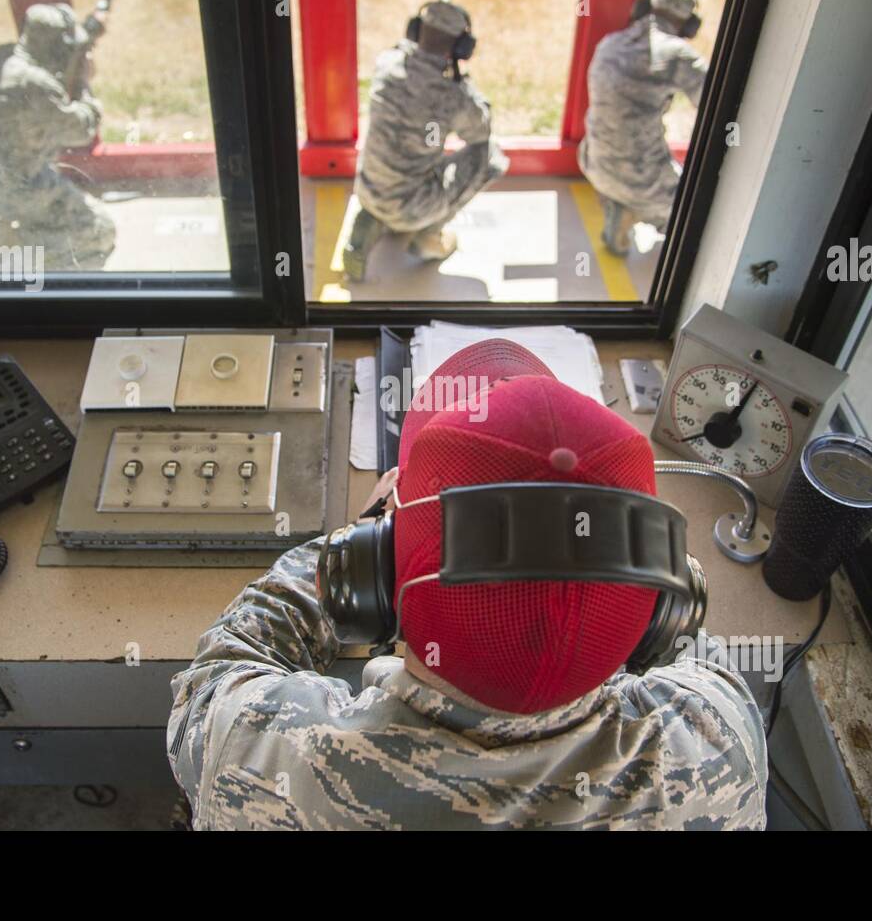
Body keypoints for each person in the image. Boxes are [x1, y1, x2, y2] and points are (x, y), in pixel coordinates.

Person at [168, 339, 767, 829]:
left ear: (374, 576)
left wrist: (364, 533)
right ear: (664, 601)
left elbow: (222, 667)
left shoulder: (256, 755)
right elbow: (684, 635)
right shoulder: (721, 739)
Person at [341, 0, 509, 283]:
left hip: (367, 189)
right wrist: (462, 81)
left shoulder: (386, 64)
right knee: (489, 155)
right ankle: (429, 235)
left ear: (415, 30)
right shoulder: (451, 95)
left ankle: (372, 218)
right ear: (462, 48)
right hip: (412, 208)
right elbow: (480, 132)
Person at [0, 2, 116, 271]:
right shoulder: (35, 84)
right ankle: (10, 250)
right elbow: (81, 130)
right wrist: (84, 83)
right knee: (98, 231)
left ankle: (8, 234)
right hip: (18, 188)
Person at [579, 0, 709, 256]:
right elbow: (716, 108)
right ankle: (637, 210)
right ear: (688, 24)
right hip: (642, 179)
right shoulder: (678, 55)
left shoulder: (610, 43)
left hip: (592, 163)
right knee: (700, 213)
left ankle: (621, 203)